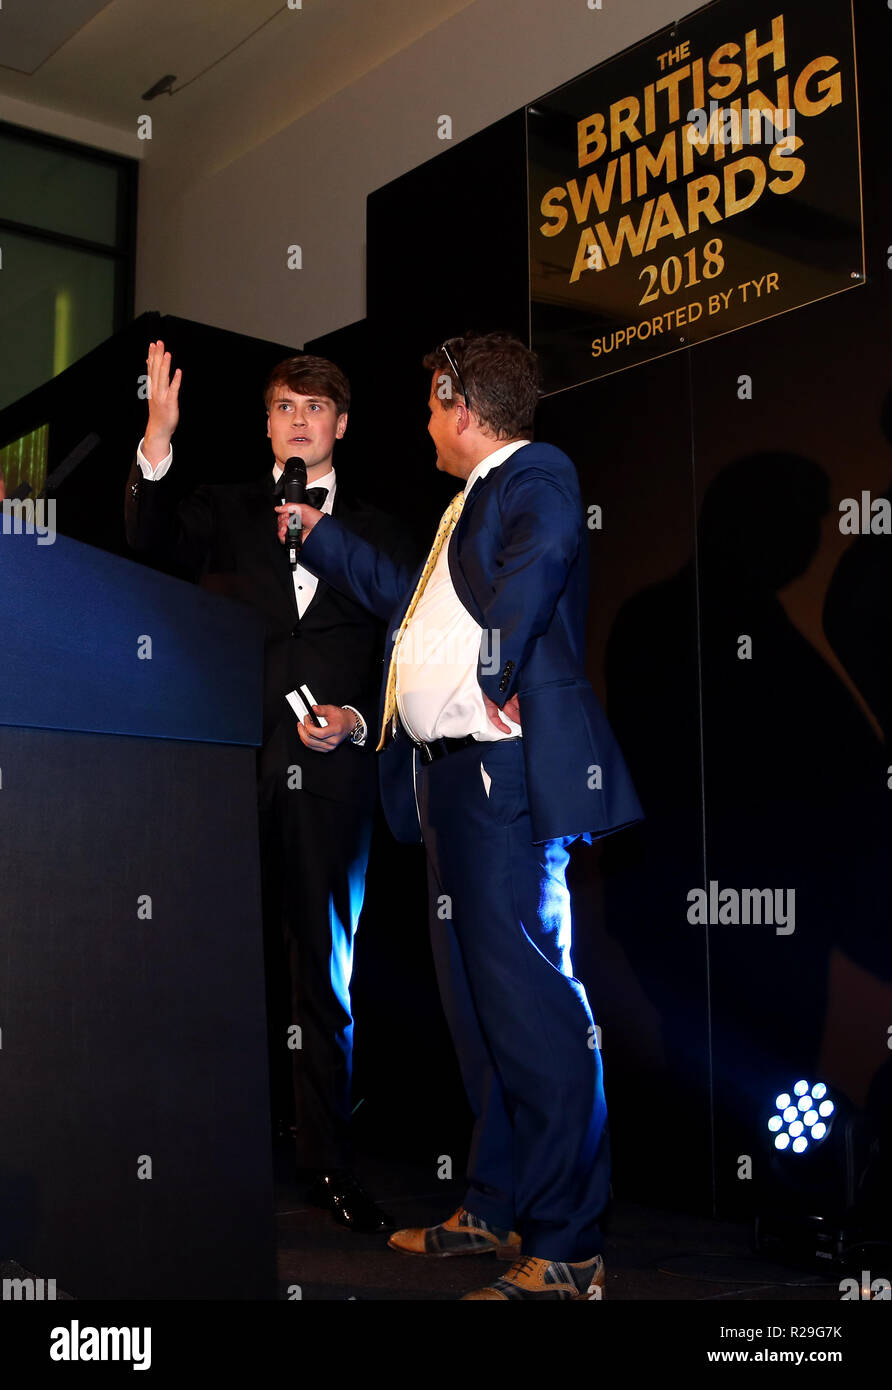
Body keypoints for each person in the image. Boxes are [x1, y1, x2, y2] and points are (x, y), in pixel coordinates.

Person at [276, 331, 643, 1300]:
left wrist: (497, 670)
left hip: (500, 778)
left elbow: (548, 556)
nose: (426, 420)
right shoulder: (464, 506)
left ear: (459, 400)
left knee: (530, 1008)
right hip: (447, 787)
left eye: (433, 402)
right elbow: (411, 605)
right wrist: (316, 536)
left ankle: (567, 1244)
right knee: (480, 1015)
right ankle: (492, 1204)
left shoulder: (537, 473)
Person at [125, 341, 409, 1232]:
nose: (299, 420)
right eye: (285, 406)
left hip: (331, 774)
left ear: (342, 424)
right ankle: (207, 1152)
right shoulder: (227, 508)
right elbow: (149, 536)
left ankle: (326, 1162)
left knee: (323, 977)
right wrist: (157, 438)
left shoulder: (381, 527)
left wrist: (359, 721)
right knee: (213, 959)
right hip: (226, 770)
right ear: (268, 421)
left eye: (315, 407)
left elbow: (410, 645)